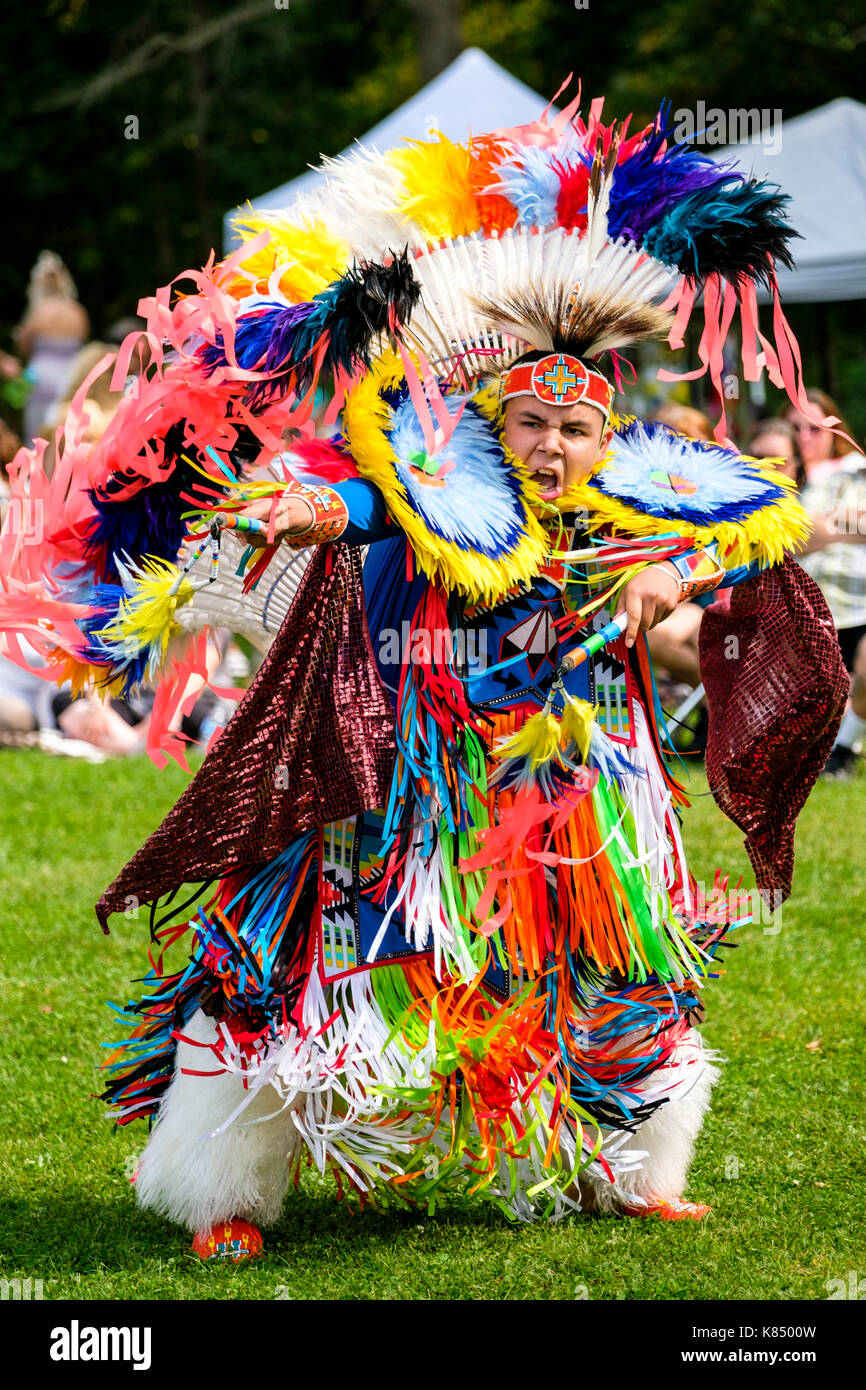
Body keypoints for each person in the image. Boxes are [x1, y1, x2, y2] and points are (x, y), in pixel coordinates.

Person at [2, 94, 847, 1258]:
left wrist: (674, 582)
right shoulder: (437, 494)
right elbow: (363, 506)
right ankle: (227, 1192)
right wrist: (307, 508)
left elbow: (746, 527)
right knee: (325, 961)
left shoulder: (640, 495)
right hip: (413, 773)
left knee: (620, 965)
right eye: (528, 426)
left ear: (608, 439)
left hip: (578, 787)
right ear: (492, 433)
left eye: (574, 429)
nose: (549, 447)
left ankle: (629, 1163)